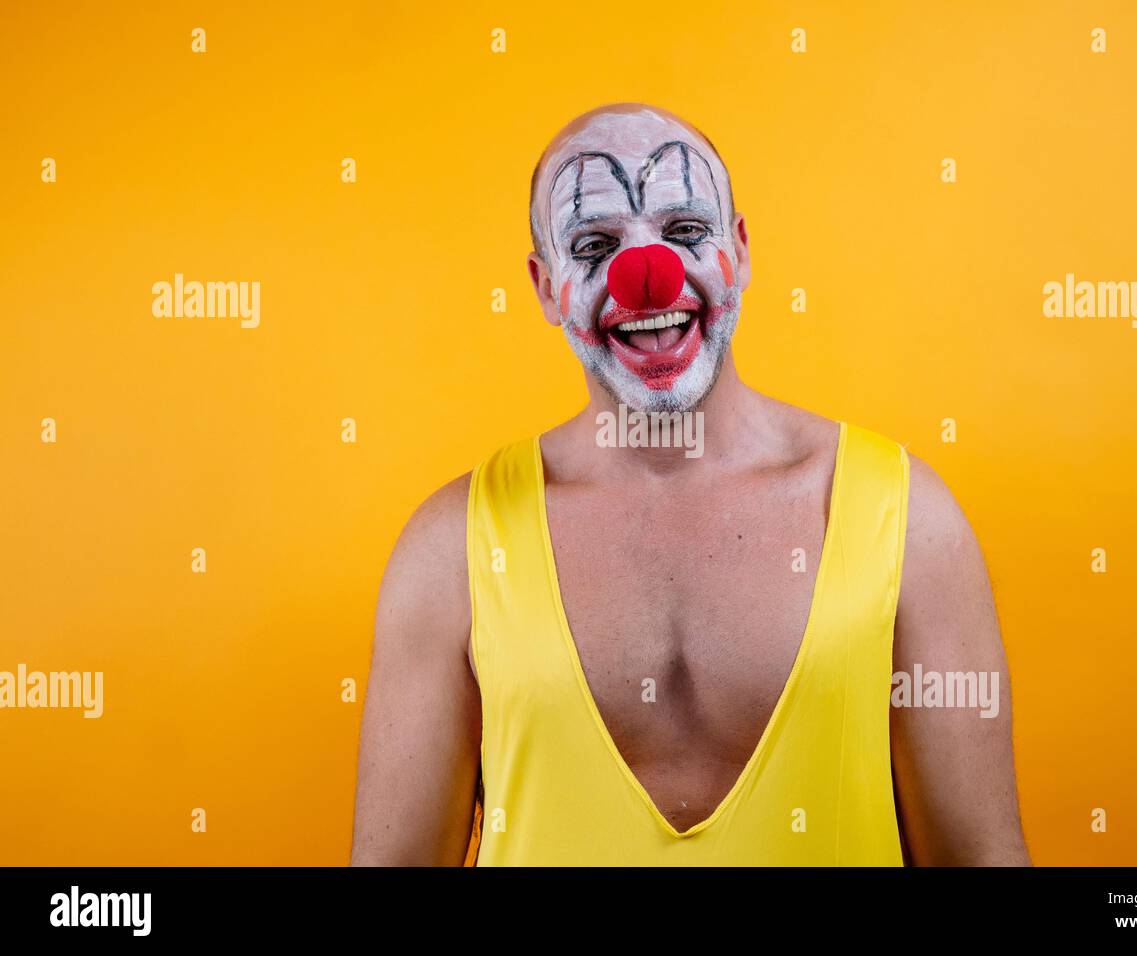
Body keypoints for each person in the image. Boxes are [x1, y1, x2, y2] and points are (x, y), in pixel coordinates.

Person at [350, 102, 1030, 866]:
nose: (649, 278)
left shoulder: (909, 521)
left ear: (737, 250)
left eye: (683, 233)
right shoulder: (451, 550)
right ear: (546, 287)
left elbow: (980, 859)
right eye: (596, 243)